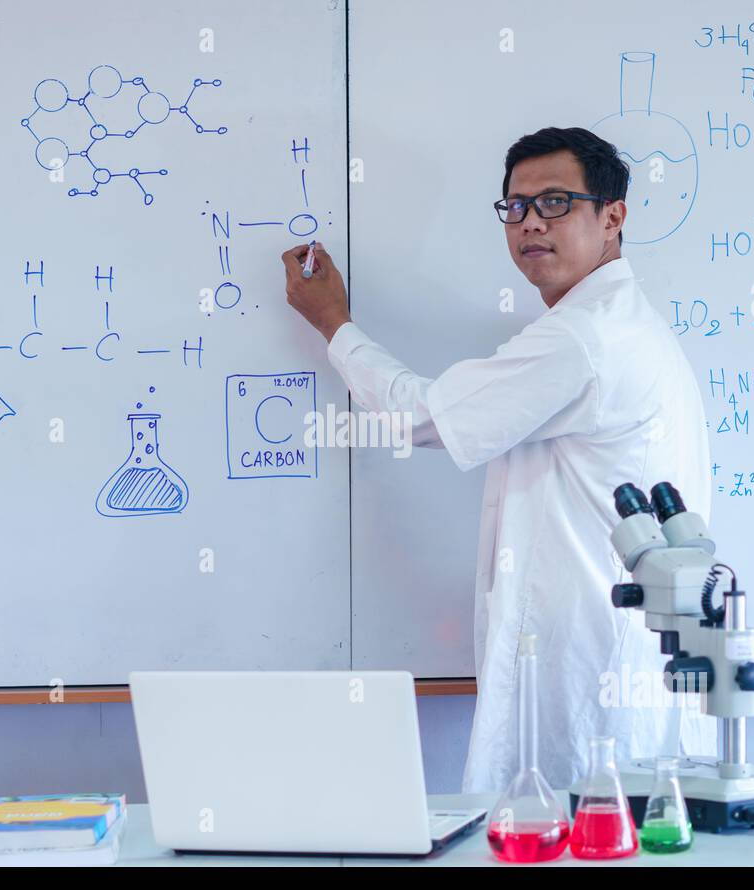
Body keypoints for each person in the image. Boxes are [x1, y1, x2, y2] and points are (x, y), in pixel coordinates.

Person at [281, 126, 716, 793]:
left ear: (612, 217)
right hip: (615, 670)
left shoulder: (584, 336)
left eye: (556, 203)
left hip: (589, 673)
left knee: (575, 829)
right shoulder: (617, 324)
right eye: (515, 206)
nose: (530, 223)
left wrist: (333, 324)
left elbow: (421, 417)